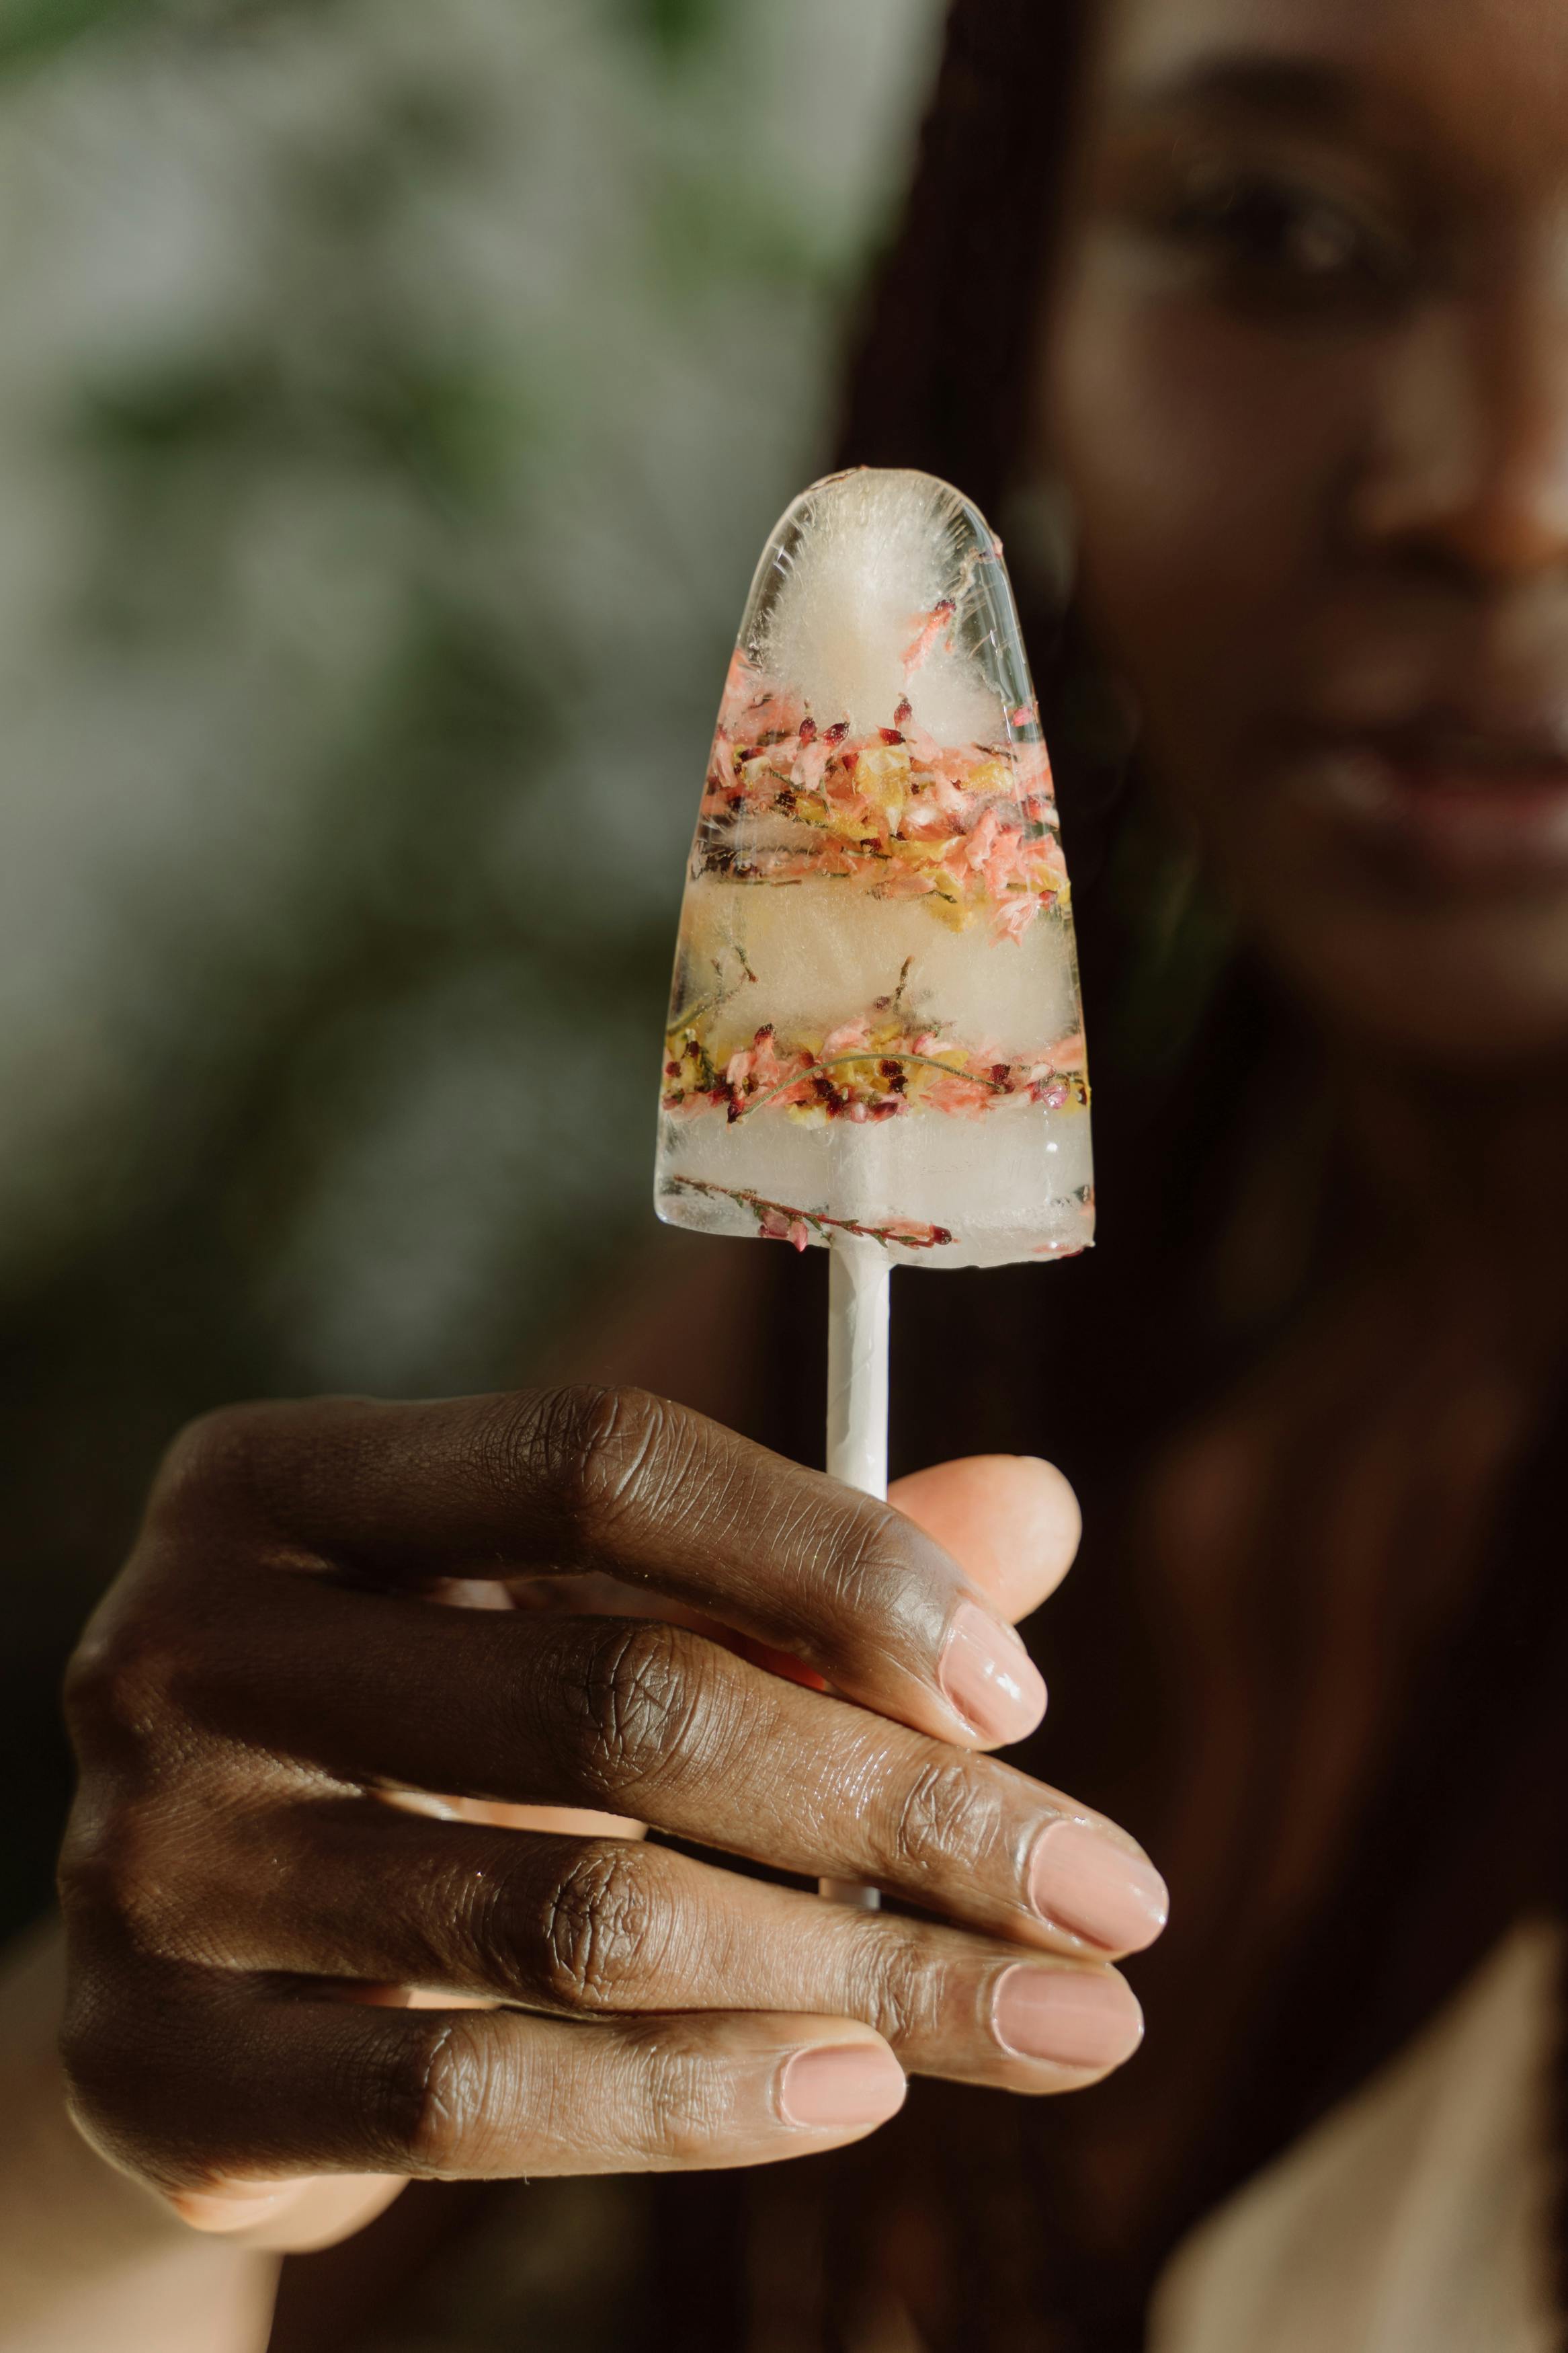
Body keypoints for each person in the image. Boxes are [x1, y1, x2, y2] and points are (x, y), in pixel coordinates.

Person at [5, 0, 1568, 2342]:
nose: (1502, 478)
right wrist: (120, 2156)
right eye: (1276, 227)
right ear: (1011, 299)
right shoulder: (849, 1386)